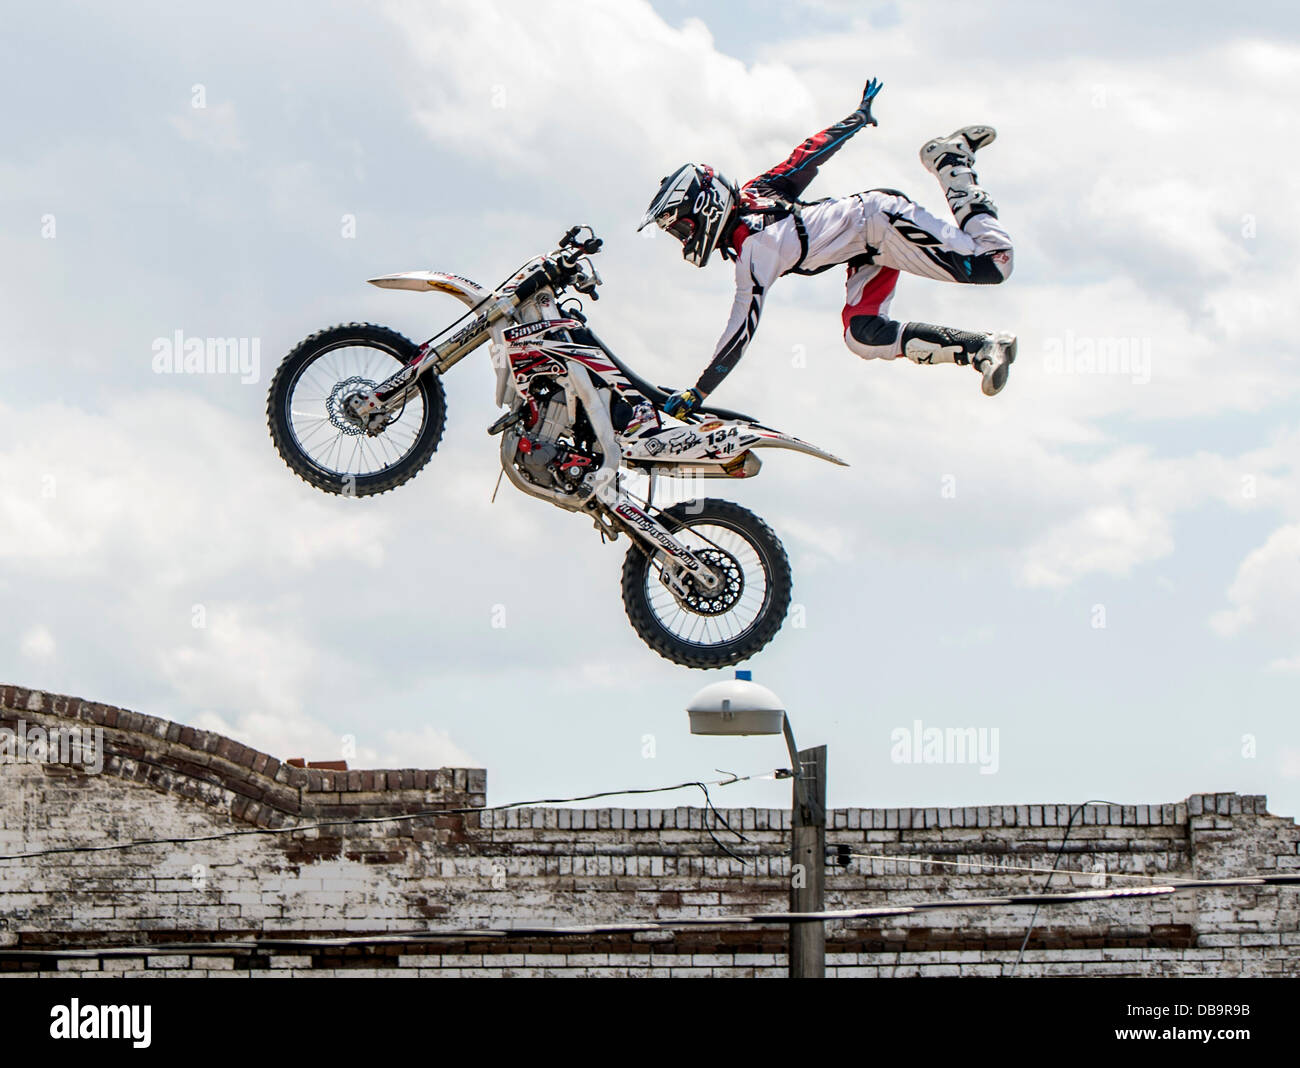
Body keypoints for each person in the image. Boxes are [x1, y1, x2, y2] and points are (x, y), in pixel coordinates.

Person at [637, 78, 1017, 417]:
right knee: (862, 335)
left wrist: (699, 392)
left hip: (881, 221)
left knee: (994, 263)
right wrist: (856, 118)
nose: (685, 238)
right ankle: (981, 348)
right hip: (867, 249)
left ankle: (952, 159)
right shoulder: (755, 195)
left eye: (683, 226)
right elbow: (807, 155)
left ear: (705, 207)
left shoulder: (753, 254)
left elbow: (738, 334)